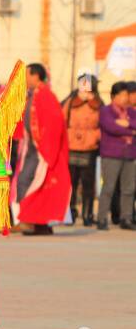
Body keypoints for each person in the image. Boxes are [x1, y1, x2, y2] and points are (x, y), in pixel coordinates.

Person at [11, 64, 71, 235]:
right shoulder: (33, 95)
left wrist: (44, 146)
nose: (25, 79)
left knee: (27, 181)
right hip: (31, 147)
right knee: (31, 182)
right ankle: (39, 224)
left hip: (41, 150)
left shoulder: (46, 95)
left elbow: (55, 123)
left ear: (36, 76)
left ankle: (28, 221)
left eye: (27, 75)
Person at [62, 74, 102, 228]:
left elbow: (103, 124)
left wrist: (95, 137)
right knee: (70, 183)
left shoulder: (98, 103)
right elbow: (62, 119)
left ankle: (87, 214)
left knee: (88, 183)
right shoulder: (71, 101)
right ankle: (70, 213)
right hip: (71, 145)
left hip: (89, 147)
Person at [96, 81, 136, 232]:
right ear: (114, 96)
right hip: (111, 154)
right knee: (108, 188)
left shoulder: (131, 112)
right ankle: (101, 218)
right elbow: (110, 127)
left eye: (127, 94)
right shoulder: (106, 111)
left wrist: (126, 123)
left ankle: (126, 217)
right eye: (122, 95)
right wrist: (131, 131)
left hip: (130, 154)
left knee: (129, 188)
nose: (125, 98)